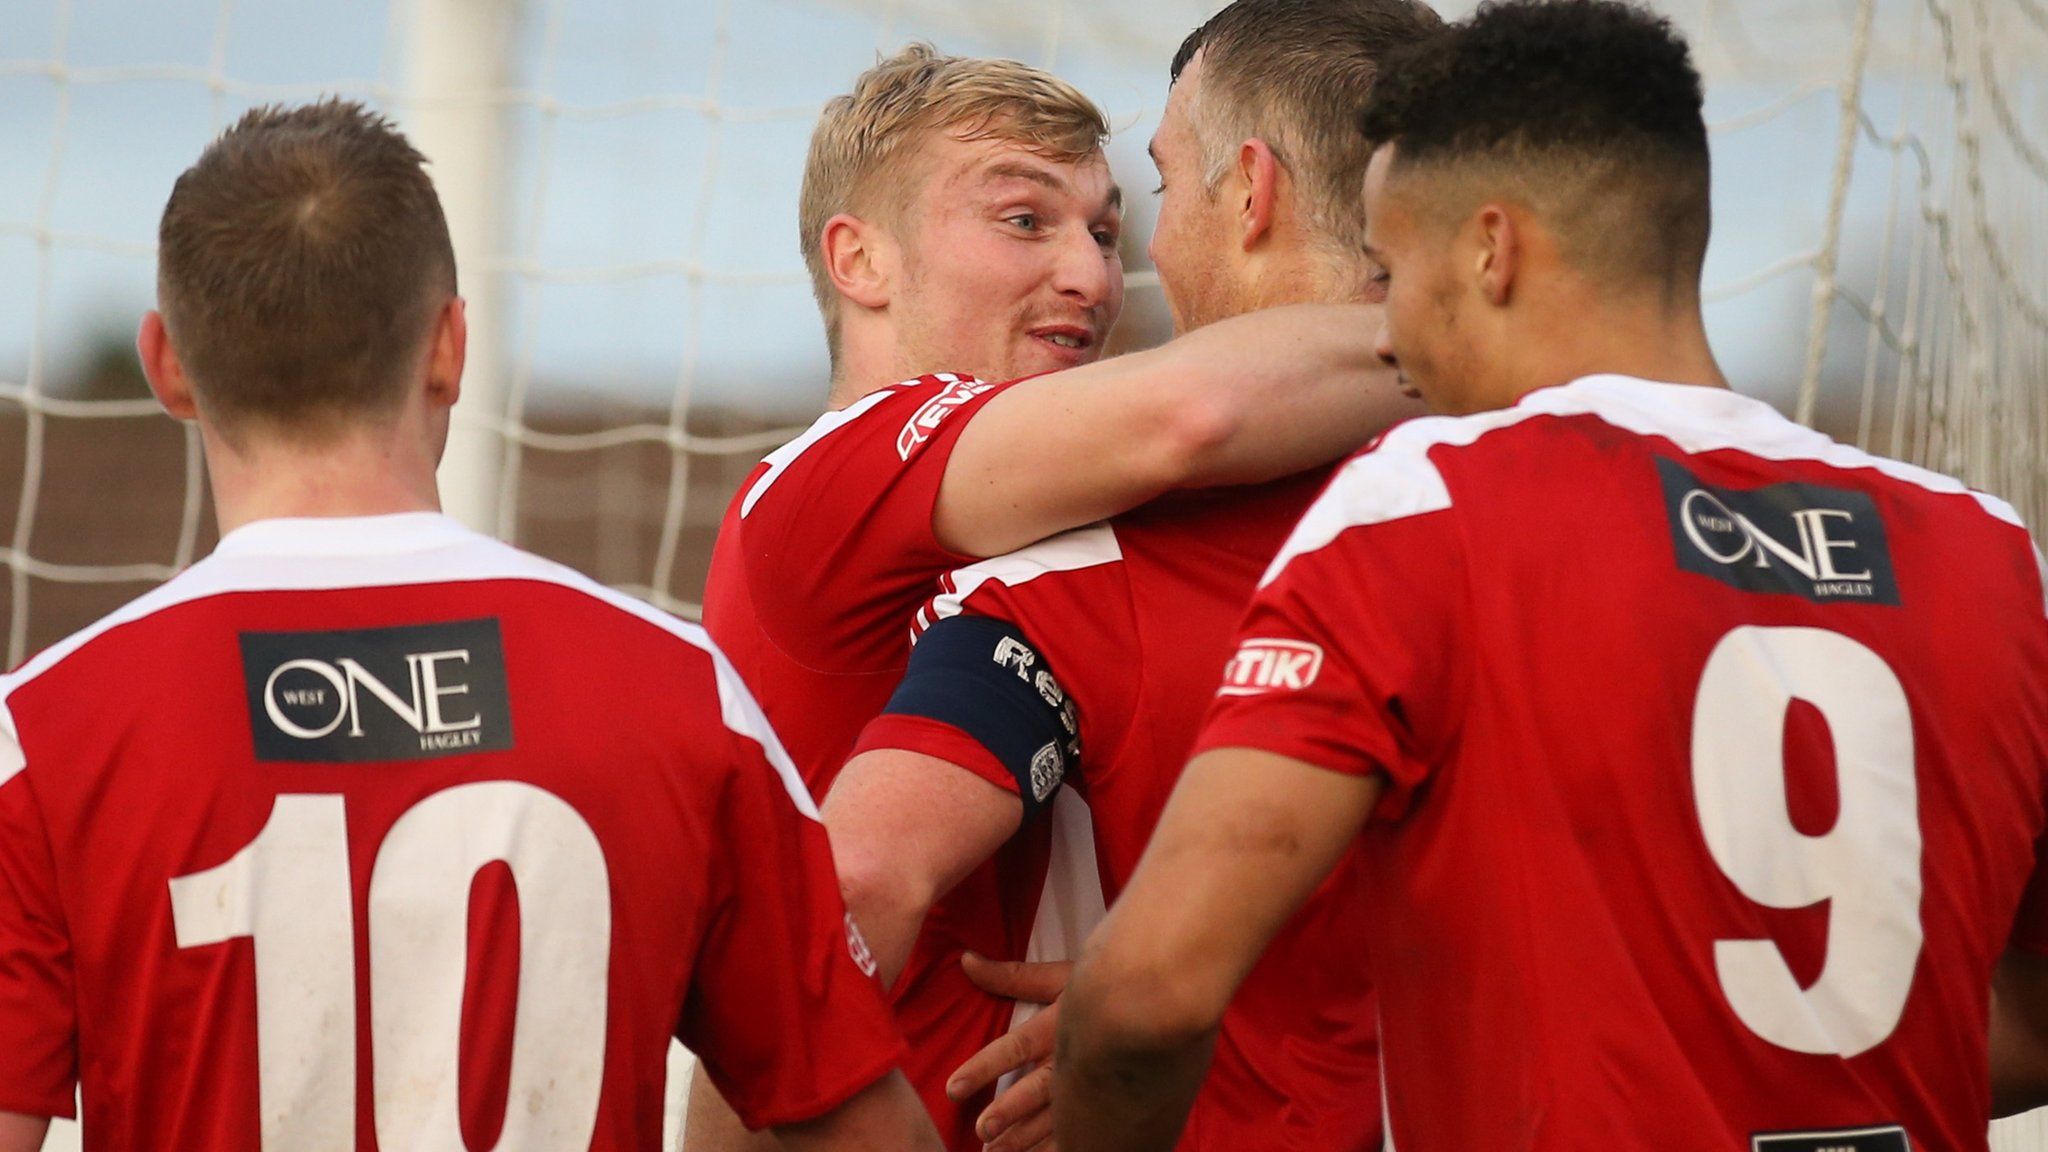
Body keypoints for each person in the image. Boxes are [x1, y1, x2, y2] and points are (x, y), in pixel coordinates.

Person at [1054, 3, 2048, 1150]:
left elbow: (1147, 995)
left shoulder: (1423, 504)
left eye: (1390, 269)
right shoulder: (1981, 548)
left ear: (1490, 251)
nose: (1384, 338)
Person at [0, 100, 938, 1152]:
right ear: (450, 346)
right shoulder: (674, 690)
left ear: (165, 363)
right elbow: (871, 1137)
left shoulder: (41, 740)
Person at [690, 44, 1414, 1151]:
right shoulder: (832, 474)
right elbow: (1190, 411)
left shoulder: (1088, 541)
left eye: (1109, 229)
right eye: (1025, 222)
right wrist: (1479, 330)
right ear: (860, 259)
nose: (1089, 275)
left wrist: (1143, 999)